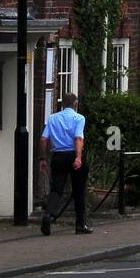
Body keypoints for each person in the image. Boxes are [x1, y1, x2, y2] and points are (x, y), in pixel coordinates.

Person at [39, 92, 91, 235]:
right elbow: (78, 138)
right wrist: (78, 157)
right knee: (79, 190)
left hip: (58, 157)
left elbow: (44, 139)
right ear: (75, 104)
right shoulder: (79, 118)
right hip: (73, 155)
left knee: (56, 189)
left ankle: (48, 215)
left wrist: (42, 158)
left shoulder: (53, 118)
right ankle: (80, 225)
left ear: (62, 105)